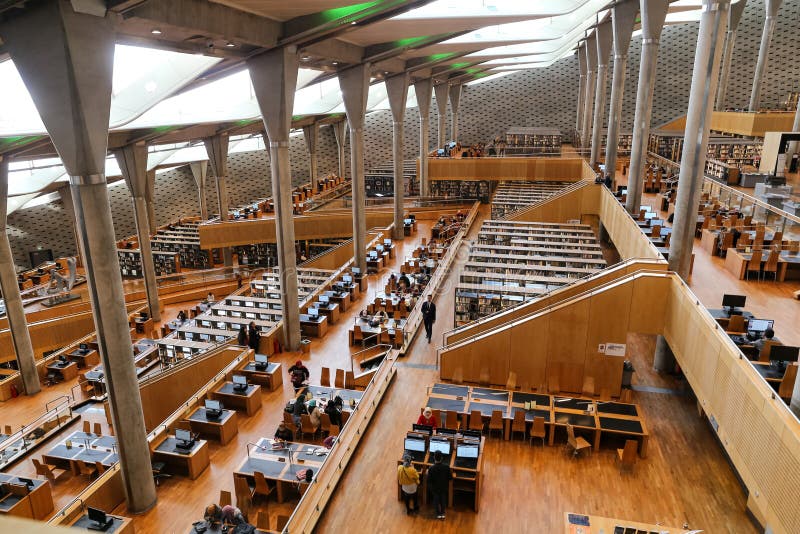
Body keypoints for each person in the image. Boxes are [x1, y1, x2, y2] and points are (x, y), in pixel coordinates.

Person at [427, 450, 452, 520]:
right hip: (444, 488)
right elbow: (450, 478)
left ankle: (438, 513)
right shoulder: (446, 467)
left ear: (434, 458)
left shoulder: (431, 468)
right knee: (443, 500)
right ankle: (443, 513)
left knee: (436, 501)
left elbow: (429, 480)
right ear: (442, 458)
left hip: (435, 489)